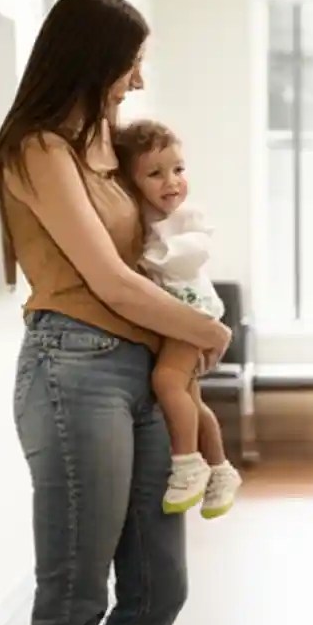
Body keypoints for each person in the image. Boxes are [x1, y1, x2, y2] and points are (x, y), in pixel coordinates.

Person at [0, 0, 232, 625]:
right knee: (75, 593)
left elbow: (153, 250)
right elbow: (110, 281)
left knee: (160, 589)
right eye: (132, 62)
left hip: (146, 369)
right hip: (74, 369)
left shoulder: (107, 146)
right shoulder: (39, 149)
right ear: (94, 59)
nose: (140, 79)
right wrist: (206, 330)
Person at [115, 118, 243, 517]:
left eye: (178, 170)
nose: (172, 182)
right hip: (175, 313)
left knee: (166, 380)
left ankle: (187, 463)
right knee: (189, 397)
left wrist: (149, 254)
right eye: (155, 174)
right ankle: (221, 469)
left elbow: (194, 251)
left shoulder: (185, 217)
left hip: (192, 310)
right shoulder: (141, 217)